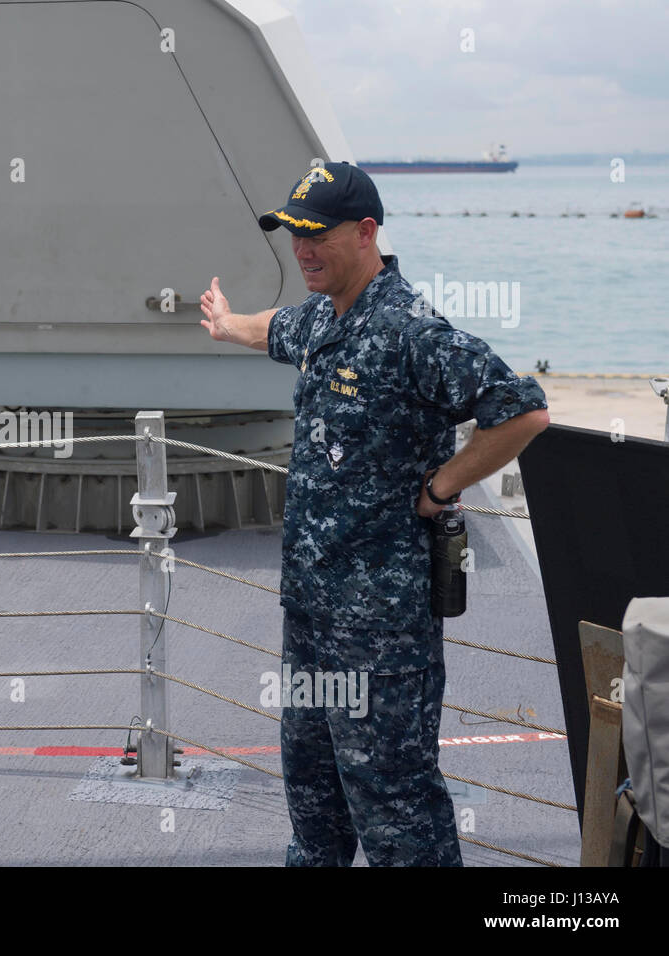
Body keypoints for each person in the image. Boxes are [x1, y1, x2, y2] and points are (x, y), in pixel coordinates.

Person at [199, 162, 550, 866]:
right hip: (311, 615)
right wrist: (229, 324)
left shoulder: (408, 330)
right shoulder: (328, 318)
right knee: (313, 800)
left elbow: (522, 411)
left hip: (382, 631)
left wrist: (443, 486)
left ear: (365, 232)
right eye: (293, 233)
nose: (301, 249)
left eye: (316, 235)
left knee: (396, 810)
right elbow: (281, 330)